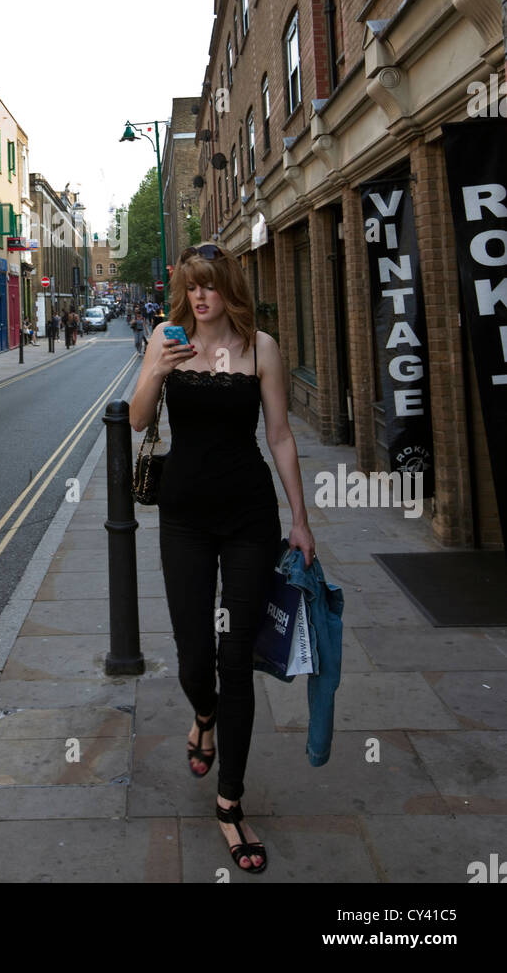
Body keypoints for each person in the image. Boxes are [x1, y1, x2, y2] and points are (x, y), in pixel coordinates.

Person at [129, 243, 315, 875]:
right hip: (183, 518)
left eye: (209, 285)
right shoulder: (166, 337)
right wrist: (157, 366)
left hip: (248, 522)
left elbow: (281, 435)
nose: (200, 296)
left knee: (237, 660)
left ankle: (230, 803)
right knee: (192, 657)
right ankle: (201, 715)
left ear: (227, 287)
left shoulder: (261, 347)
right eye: (191, 285)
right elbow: (136, 419)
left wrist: (300, 519)